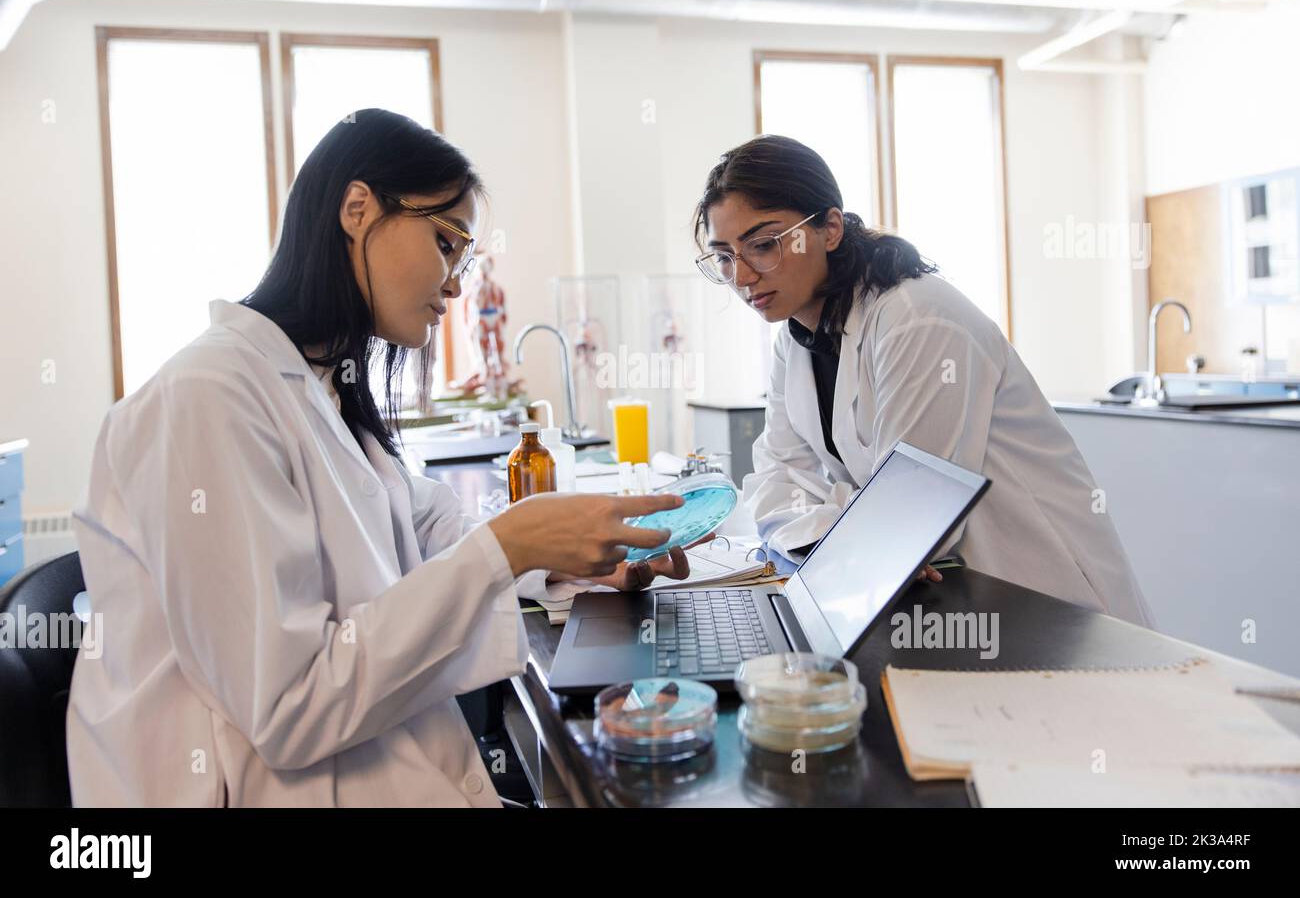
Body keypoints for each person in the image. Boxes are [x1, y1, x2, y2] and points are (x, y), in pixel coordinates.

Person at [68, 109, 698, 807]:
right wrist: (509, 543)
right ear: (358, 208)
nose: (456, 284)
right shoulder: (209, 397)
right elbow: (290, 705)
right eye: (446, 242)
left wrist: (570, 556)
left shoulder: (321, 385)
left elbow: (430, 533)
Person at [691, 135, 1151, 625]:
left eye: (763, 245)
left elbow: (915, 517)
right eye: (724, 256)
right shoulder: (796, 338)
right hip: (938, 601)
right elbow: (774, 480)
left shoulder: (918, 319)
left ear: (828, 228)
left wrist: (850, 518)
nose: (741, 277)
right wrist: (862, 521)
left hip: (1045, 595)